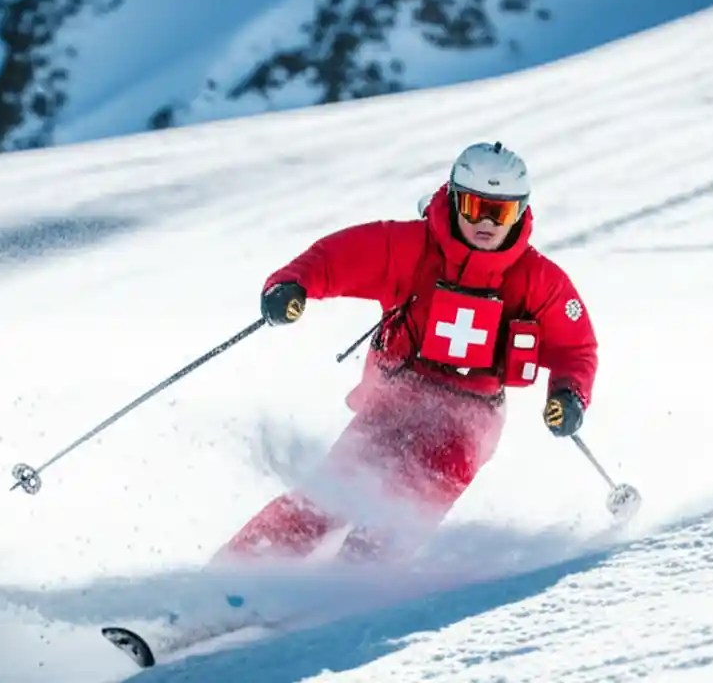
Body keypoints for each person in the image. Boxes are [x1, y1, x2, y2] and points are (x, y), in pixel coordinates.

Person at [214, 141, 599, 566]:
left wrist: (569, 396)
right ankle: (231, 576)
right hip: (395, 402)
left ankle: (341, 590)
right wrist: (291, 285)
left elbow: (575, 346)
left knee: (404, 512)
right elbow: (338, 257)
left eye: (500, 212)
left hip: (470, 422)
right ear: (454, 200)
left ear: (521, 213)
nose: (486, 223)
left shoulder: (537, 280)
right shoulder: (412, 247)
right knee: (325, 498)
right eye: (474, 207)